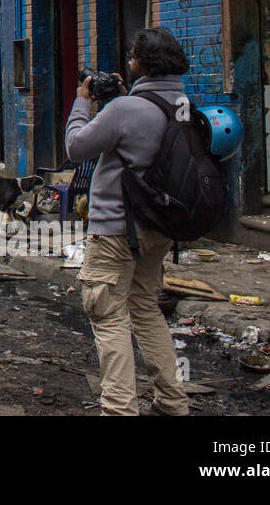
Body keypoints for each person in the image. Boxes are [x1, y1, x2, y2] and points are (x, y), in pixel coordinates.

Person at [65, 26, 192, 417]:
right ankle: (172, 402)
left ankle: (119, 409)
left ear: (143, 63)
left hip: (116, 231)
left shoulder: (123, 109)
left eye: (133, 54)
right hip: (157, 230)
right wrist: (122, 98)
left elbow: (76, 147)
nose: (129, 60)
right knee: (145, 307)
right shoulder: (183, 104)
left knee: (107, 314)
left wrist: (82, 103)